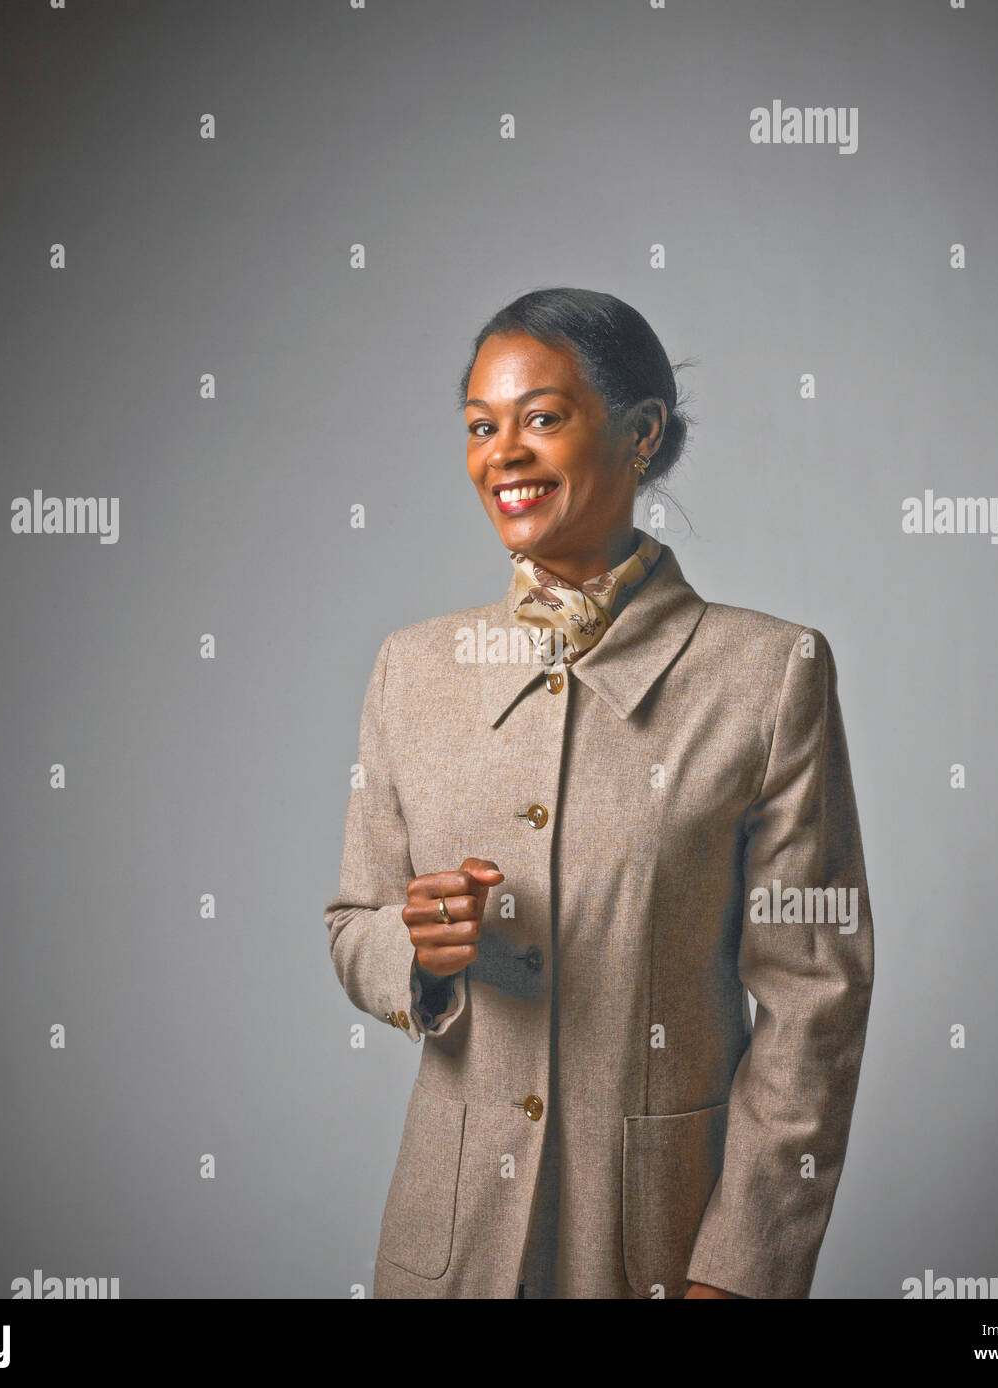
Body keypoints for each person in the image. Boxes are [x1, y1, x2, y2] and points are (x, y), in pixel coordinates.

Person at [324, 286, 874, 1299]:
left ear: (641, 433)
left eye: (542, 417)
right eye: (481, 427)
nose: (504, 453)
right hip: (448, 1251)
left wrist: (744, 1268)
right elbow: (353, 923)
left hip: (660, 1249)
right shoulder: (412, 669)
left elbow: (813, 1002)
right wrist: (418, 947)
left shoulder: (767, 674)